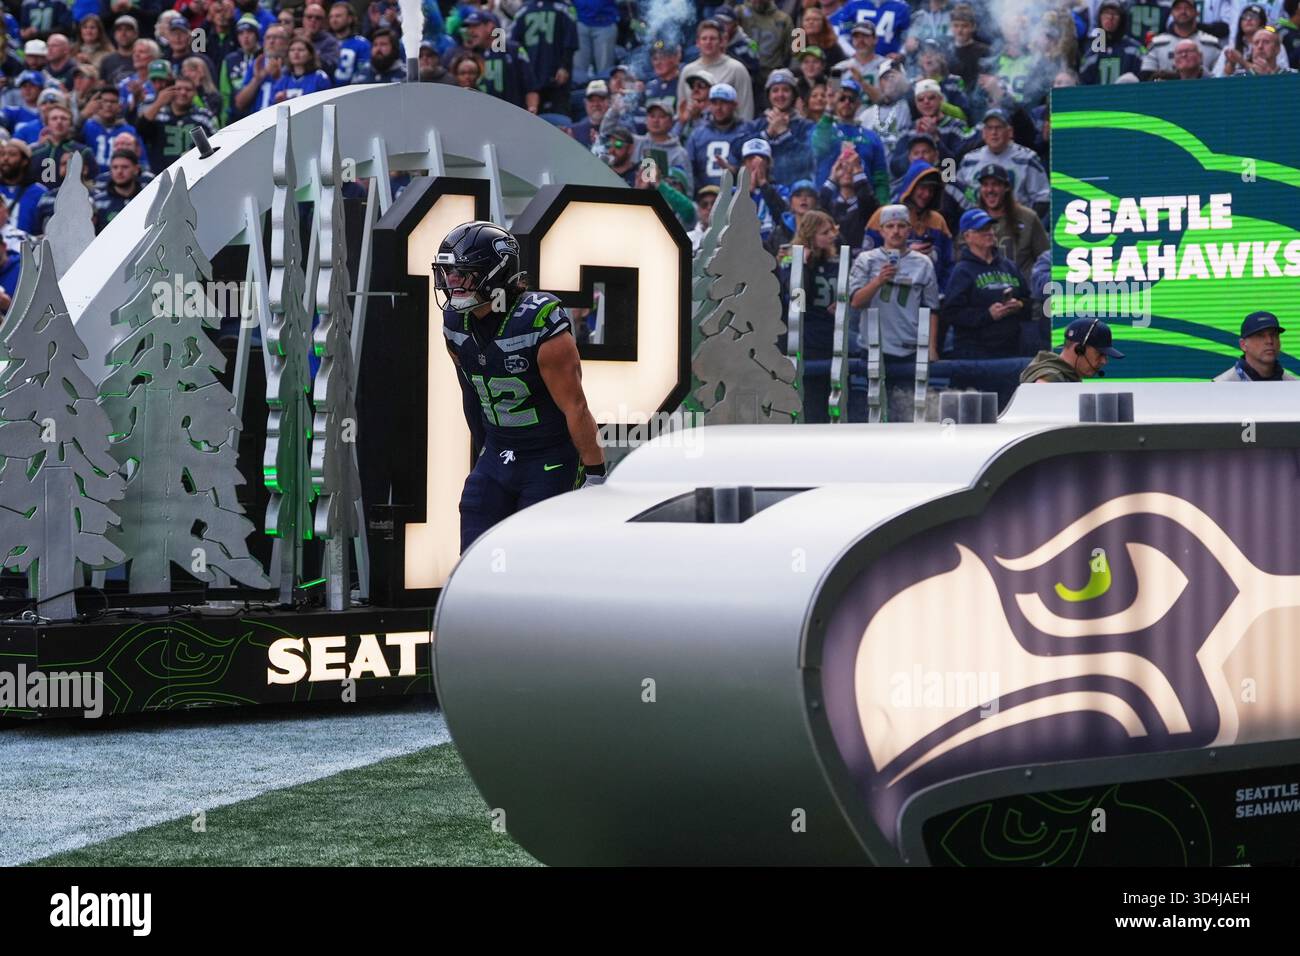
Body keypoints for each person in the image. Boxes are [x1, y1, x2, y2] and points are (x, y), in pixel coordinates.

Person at [438, 220, 606, 553]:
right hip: (498, 454)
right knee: (473, 558)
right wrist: (484, 452)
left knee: (534, 562)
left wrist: (596, 473)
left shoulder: (538, 320)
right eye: (449, 272)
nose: (451, 281)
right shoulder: (456, 324)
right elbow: (471, 395)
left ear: (494, 274)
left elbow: (575, 406)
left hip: (549, 458)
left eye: (463, 272)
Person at [849, 203, 940, 421]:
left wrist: (932, 347)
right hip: (872, 349)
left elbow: (932, 308)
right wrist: (878, 281)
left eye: (901, 226)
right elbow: (855, 302)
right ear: (881, 231)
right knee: (871, 416)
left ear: (909, 229)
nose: (896, 231)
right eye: (890, 226)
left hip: (908, 349)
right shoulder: (866, 260)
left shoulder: (923, 263)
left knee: (906, 416)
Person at [779, 209, 844, 423]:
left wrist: (845, 303)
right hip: (809, 342)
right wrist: (802, 267)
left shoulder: (838, 260)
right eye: (824, 233)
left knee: (838, 408)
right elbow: (798, 303)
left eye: (831, 231)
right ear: (810, 236)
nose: (831, 236)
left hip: (835, 338)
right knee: (814, 410)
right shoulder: (793, 261)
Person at [942, 208, 1029, 361]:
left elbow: (1029, 301)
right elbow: (951, 313)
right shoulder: (962, 271)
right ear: (967, 236)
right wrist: (987, 315)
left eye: (990, 228)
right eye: (982, 229)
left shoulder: (1009, 266)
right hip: (975, 353)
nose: (989, 232)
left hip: (1011, 348)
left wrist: (1019, 305)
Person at [963, 162, 1047, 291]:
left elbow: (1045, 258)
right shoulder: (972, 219)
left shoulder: (1028, 218)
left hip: (1025, 296)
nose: (990, 190)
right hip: (982, 295)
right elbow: (961, 258)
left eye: (995, 184)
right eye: (985, 185)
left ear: (1007, 187)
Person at [955, 108, 1050, 220]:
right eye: (989, 128)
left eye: (999, 127)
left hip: (1016, 225)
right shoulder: (969, 160)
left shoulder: (1027, 158)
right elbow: (958, 193)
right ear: (983, 133)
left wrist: (1026, 225)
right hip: (980, 228)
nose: (994, 133)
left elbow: (1043, 197)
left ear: (1010, 132)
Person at [811, 75, 889, 203]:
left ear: (858, 103)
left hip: (863, 206)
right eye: (842, 98)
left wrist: (882, 204)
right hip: (828, 203)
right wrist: (830, 106)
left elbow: (880, 177)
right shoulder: (823, 128)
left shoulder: (872, 137)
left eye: (851, 99)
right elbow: (818, 146)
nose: (847, 102)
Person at [678, 19, 754, 122]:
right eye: (704, 39)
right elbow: (681, 109)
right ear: (697, 43)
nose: (708, 42)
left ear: (722, 42)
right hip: (693, 133)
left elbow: (746, 110)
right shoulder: (687, 71)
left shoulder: (736, 69)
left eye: (713, 38)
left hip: (729, 133)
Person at [510, 0, 577, 116]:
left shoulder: (564, 8)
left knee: (559, 118)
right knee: (532, 118)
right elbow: (514, 46)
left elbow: (570, 41)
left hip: (555, 75)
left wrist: (564, 66)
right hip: (532, 75)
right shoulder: (523, 10)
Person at [136, 74, 216, 170]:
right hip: (162, 176)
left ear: (195, 92)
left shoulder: (204, 116)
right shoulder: (158, 115)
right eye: (178, 89)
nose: (183, 93)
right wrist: (158, 103)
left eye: (188, 89)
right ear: (170, 90)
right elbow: (140, 130)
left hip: (196, 172)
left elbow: (215, 142)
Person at [686, 82, 756, 189]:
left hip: (738, 196)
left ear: (734, 105)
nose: (718, 108)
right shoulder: (697, 134)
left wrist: (734, 171)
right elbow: (689, 169)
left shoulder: (748, 132)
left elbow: (755, 169)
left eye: (724, 103)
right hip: (705, 198)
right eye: (714, 103)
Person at [1020, 317, 1125, 384]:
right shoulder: (1051, 378)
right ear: (1079, 349)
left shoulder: (1066, 377)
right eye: (1100, 353)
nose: (1104, 361)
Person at [759, 68, 814, 185]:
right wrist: (768, 132)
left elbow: (808, 158)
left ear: (794, 94)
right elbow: (740, 150)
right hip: (764, 191)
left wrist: (783, 132)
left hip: (797, 192)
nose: (780, 95)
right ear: (768, 95)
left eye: (785, 90)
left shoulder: (806, 126)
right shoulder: (758, 124)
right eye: (775, 90)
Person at [1142, 0, 1223, 77]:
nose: (1183, 11)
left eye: (1187, 8)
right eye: (1178, 8)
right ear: (1171, 13)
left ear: (1196, 12)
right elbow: (1146, 77)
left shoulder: (1211, 44)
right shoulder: (1157, 44)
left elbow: (1220, 77)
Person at [1213, 311, 1297, 381]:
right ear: (1243, 345)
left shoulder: (1293, 384)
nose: (1270, 341)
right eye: (1260, 336)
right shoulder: (1221, 385)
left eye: (1274, 335)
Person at [1080, 0, 1146, 84]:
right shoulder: (1092, 53)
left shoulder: (1135, 49)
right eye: (1106, 13)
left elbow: (1144, 79)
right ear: (1099, 17)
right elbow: (1084, 85)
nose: (1110, 18)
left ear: (1122, 19)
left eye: (1115, 14)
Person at [90, 145, 145, 231]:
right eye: (115, 167)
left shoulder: (147, 197)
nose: (119, 171)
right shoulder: (98, 202)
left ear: (136, 169)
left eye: (125, 167)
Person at [0, 138, 48, 234]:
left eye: (12, 154)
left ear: (24, 161)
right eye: (2, 154)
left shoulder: (39, 193)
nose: (5, 158)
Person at [271, 37, 332, 102]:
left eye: (301, 50)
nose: (296, 53)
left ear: (310, 55)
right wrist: (277, 100)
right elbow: (272, 102)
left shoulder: (320, 77)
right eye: (292, 50)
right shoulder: (284, 79)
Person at [328, 2, 371, 87]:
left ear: (350, 19)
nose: (334, 20)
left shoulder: (362, 44)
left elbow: (364, 74)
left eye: (338, 16)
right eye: (331, 17)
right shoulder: (326, 43)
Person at [568, 78, 607, 148]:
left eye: (601, 99)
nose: (596, 104)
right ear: (585, 103)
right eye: (592, 100)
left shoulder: (620, 130)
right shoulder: (574, 131)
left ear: (609, 102)